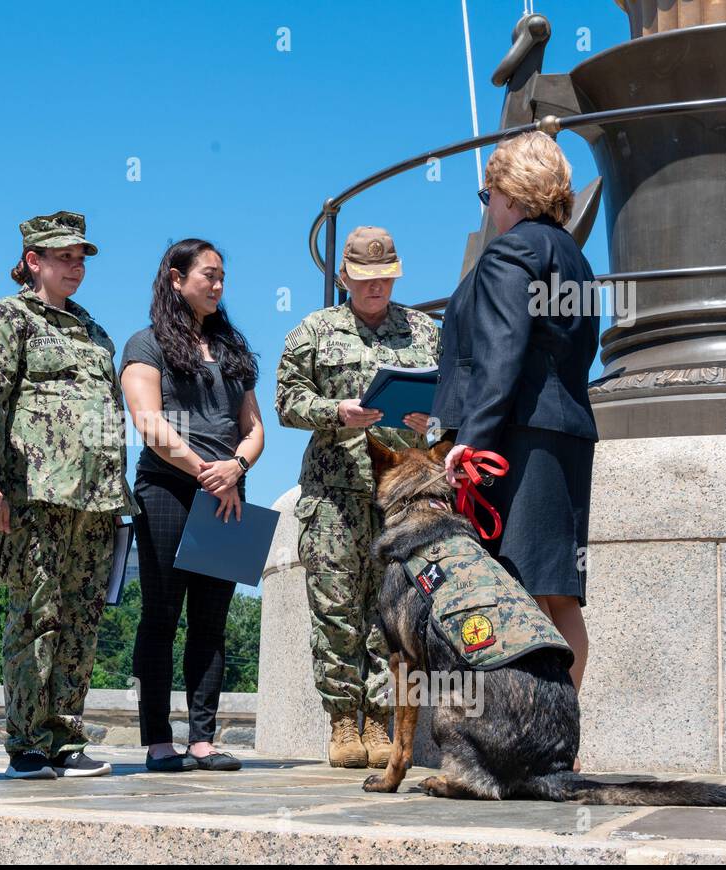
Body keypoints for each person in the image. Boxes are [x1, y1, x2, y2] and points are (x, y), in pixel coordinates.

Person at [431, 131, 598, 764]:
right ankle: (561, 743)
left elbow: (501, 356)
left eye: (488, 192)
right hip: (568, 433)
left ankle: (528, 744)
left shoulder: (508, 254)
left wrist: (469, 441)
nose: (487, 205)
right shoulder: (574, 259)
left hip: (518, 439)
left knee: (519, 591)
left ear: (508, 192)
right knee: (559, 593)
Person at [0, 211, 136, 780]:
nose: (75, 266)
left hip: (94, 501)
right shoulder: (7, 318)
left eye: (81, 258)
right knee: (35, 616)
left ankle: (66, 738)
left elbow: (108, 416)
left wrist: (115, 489)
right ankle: (26, 742)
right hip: (34, 495)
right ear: (32, 261)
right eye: (63, 256)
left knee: (82, 621)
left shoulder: (96, 332)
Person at [275, 227, 438, 770]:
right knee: (337, 608)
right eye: (365, 280)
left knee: (389, 611)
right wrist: (334, 412)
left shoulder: (424, 330)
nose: (376, 288)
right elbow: (286, 401)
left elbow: (453, 400)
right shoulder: (314, 331)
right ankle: (344, 719)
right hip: (334, 492)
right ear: (344, 277)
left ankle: (379, 717)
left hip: (402, 497)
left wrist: (431, 421)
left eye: (385, 278)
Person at [120, 239, 262, 773]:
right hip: (167, 489)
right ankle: (159, 741)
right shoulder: (145, 343)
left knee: (211, 623)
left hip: (228, 491)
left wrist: (236, 470)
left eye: (223, 275)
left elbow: (254, 429)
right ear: (176, 279)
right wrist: (207, 472)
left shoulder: (233, 351)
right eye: (209, 274)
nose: (219, 284)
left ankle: (203, 740)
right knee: (160, 617)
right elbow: (150, 424)